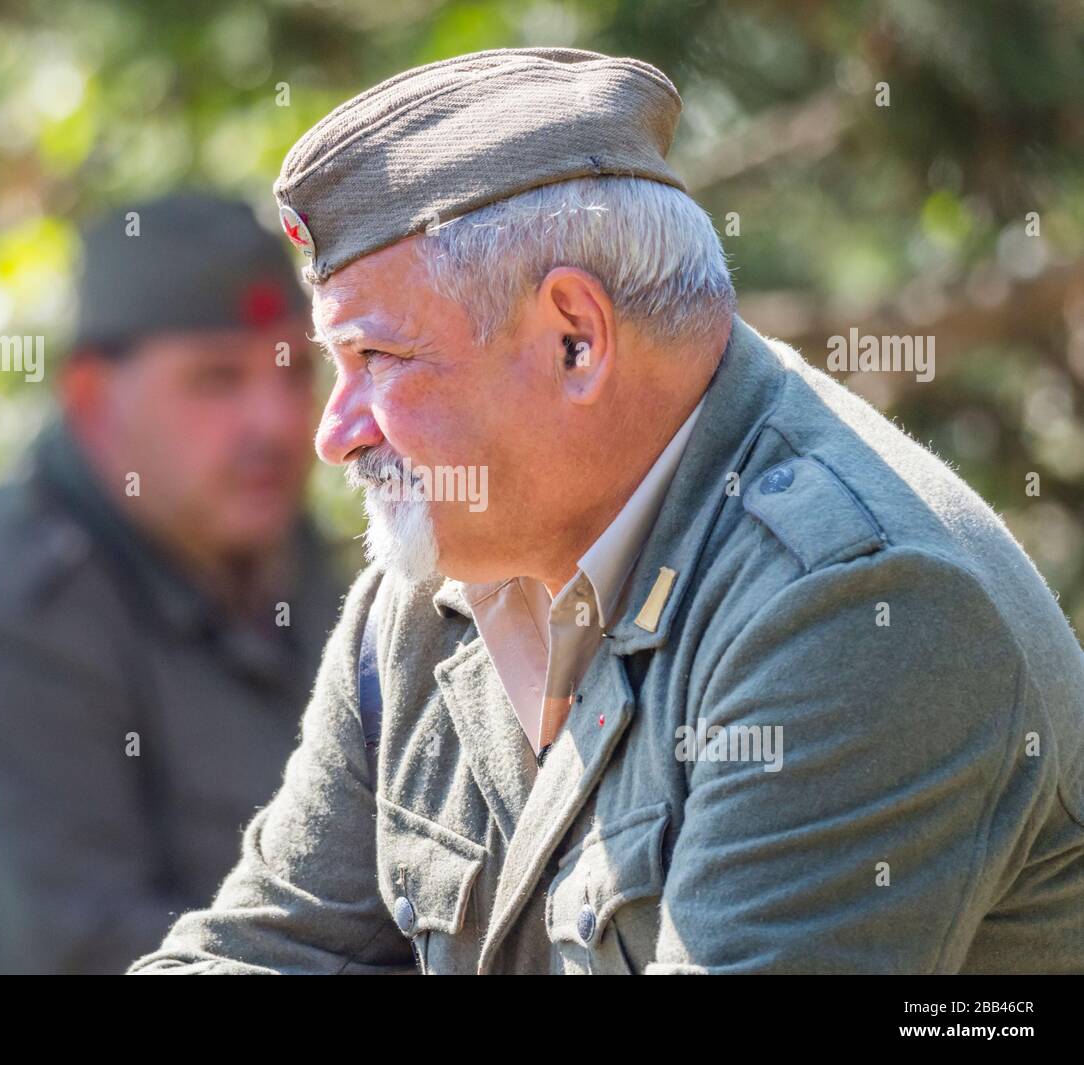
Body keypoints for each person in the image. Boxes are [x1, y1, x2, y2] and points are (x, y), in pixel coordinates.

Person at [129, 48, 1084, 975]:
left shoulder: (855, 610)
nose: (335, 433)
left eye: (377, 359)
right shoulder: (434, 587)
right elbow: (249, 950)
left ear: (575, 338)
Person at [0, 193, 351, 974]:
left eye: (294, 372)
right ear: (92, 399)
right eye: (216, 380)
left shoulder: (284, 550)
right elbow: (70, 959)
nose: (275, 423)